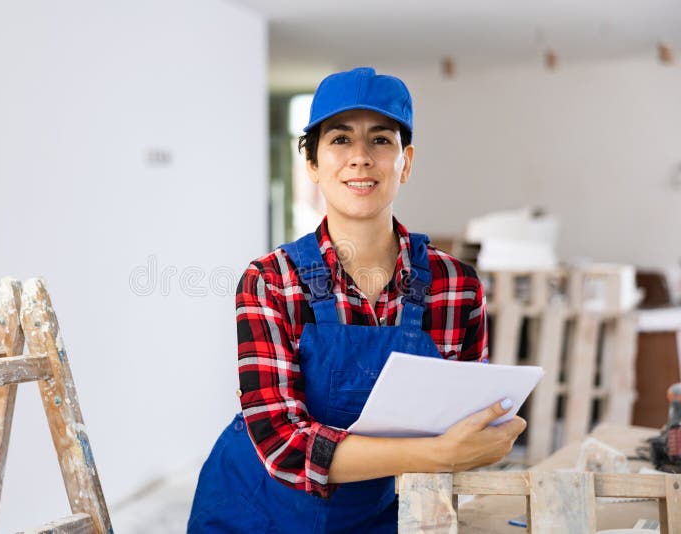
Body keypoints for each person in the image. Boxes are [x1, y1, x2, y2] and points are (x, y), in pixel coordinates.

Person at [188, 67, 527, 533]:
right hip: (254, 512)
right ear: (311, 163)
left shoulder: (456, 287)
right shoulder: (271, 282)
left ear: (406, 162)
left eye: (381, 140)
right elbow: (283, 443)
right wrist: (439, 453)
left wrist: (482, 438)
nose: (360, 158)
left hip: (379, 515)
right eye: (340, 140)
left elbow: (469, 424)